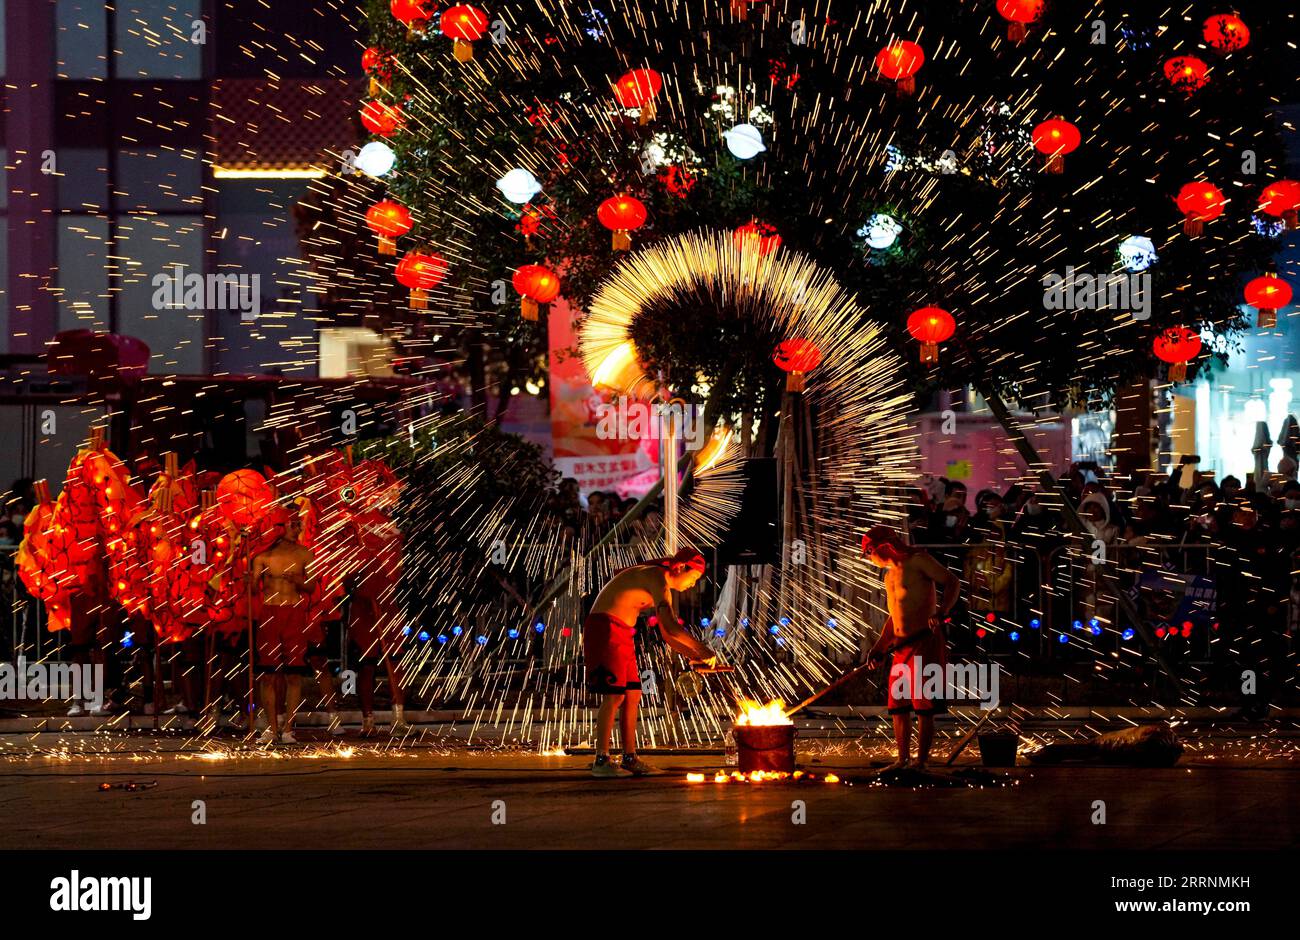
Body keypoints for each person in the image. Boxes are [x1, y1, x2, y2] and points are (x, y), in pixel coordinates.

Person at [582, 547, 713, 777]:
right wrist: (701, 648)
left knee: (633, 693)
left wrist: (693, 655)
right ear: (681, 568)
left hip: (622, 632)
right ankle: (601, 759)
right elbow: (671, 625)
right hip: (605, 628)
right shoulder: (657, 577)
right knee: (614, 695)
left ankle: (630, 757)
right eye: (693, 578)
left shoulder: (661, 585)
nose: (693, 584)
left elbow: (667, 634)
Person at [862, 526, 960, 771]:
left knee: (923, 705)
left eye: (868, 553)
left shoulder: (918, 561)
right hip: (902, 647)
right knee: (898, 704)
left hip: (924, 642)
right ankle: (902, 760)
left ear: (881, 548)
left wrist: (942, 612)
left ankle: (921, 762)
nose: (869, 559)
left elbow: (952, 581)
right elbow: (894, 617)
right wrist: (879, 647)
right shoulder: (888, 576)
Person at [250, 511, 316, 744]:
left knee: (294, 674)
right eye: (292, 524)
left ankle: (288, 728)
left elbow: (311, 586)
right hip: (270, 613)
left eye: (298, 524)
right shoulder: (262, 556)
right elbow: (251, 589)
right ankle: (270, 727)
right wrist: (251, 574)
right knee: (268, 674)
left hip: (294, 613)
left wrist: (299, 582)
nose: (296, 529)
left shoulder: (305, 554)